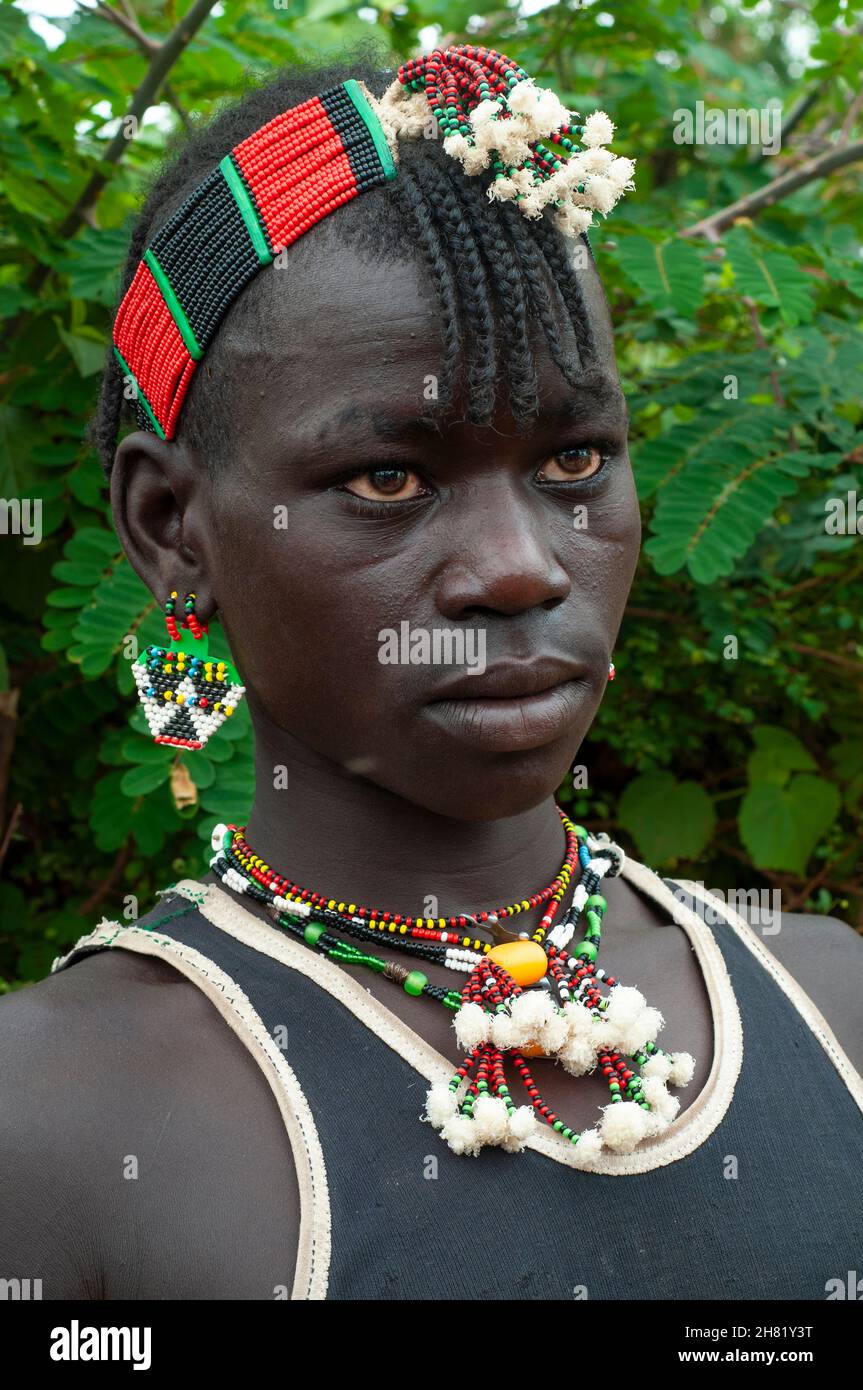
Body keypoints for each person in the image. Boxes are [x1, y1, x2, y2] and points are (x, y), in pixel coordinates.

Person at [1, 45, 861, 1302]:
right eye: (387, 479)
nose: (518, 570)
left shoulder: (830, 1005)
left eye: (572, 460)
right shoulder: (58, 1122)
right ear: (169, 527)